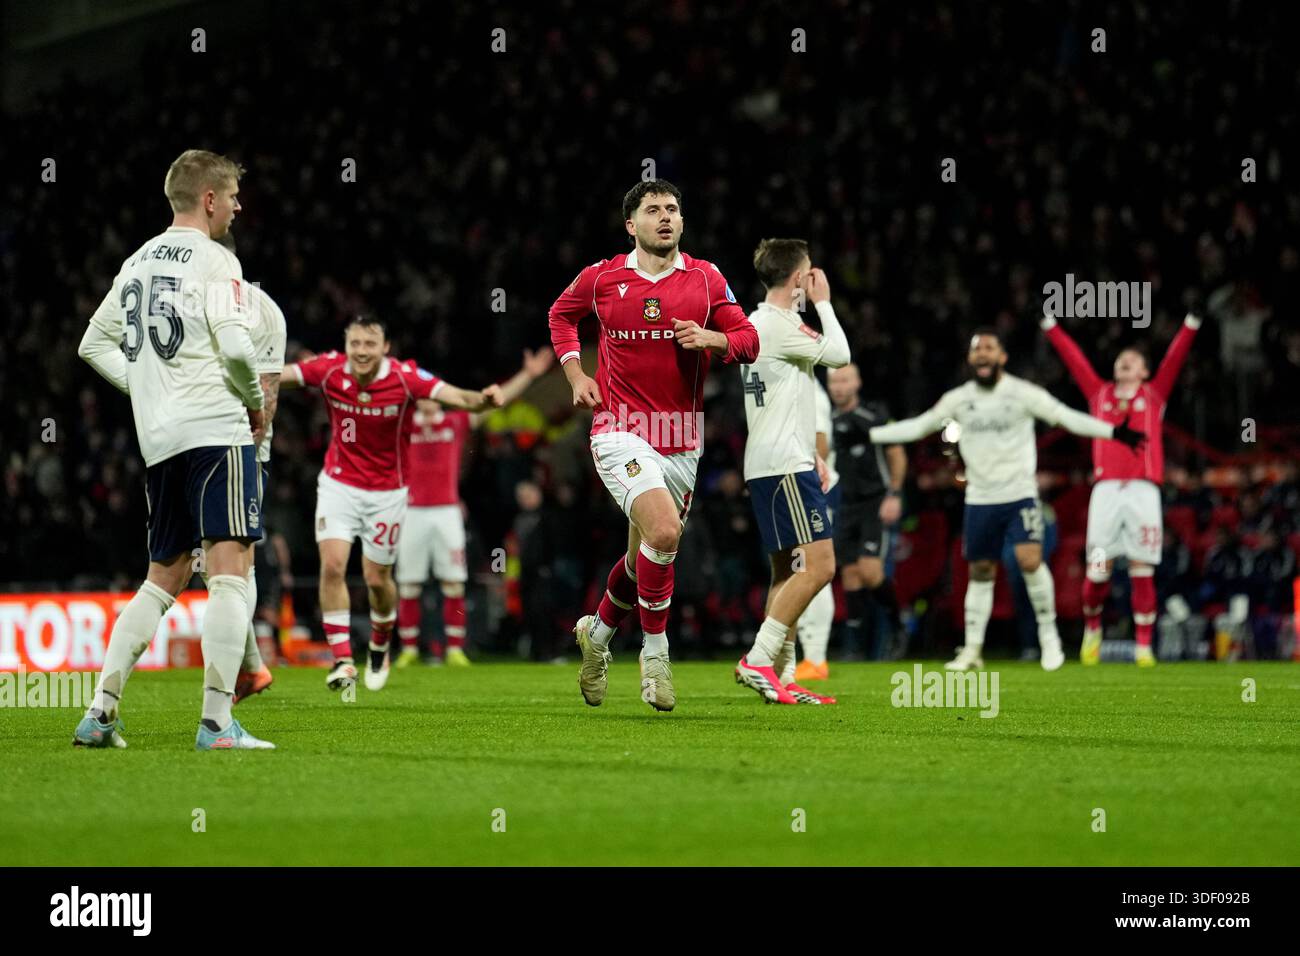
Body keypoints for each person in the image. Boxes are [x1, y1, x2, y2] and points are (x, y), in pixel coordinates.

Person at [73, 148, 273, 749]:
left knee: (164, 575)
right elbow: (237, 352)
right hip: (216, 431)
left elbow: (92, 343)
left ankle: (100, 711)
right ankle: (216, 722)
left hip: (160, 439)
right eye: (233, 196)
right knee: (230, 572)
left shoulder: (136, 262)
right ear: (209, 199)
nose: (238, 206)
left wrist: (150, 385)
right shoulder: (217, 262)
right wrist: (254, 404)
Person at [548, 179, 759, 712]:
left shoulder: (706, 279)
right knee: (664, 531)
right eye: (653, 210)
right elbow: (561, 316)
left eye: (672, 210)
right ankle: (655, 656)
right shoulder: (602, 278)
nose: (665, 217)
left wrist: (713, 339)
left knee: (644, 561)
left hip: (680, 438)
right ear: (631, 224)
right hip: (619, 429)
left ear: (682, 223)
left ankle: (596, 636)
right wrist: (575, 375)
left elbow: (748, 340)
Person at [869, 328, 1146, 671]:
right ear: (971, 359)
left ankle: (1049, 638)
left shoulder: (1022, 393)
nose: (983, 354)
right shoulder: (959, 398)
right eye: (977, 349)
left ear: (1002, 357)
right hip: (980, 499)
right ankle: (972, 650)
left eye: (989, 348)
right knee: (981, 571)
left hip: (1019, 495)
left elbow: (1065, 416)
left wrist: (1114, 432)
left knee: (1030, 561)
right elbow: (919, 426)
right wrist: (870, 434)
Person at [279, 318, 502, 692]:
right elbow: (279, 373)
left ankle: (380, 642)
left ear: (385, 347)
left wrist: (483, 399)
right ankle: (343, 659)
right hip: (338, 485)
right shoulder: (330, 369)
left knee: (377, 579)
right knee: (332, 565)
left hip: (387, 494)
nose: (362, 350)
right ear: (346, 345)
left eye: (370, 343)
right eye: (355, 343)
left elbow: (457, 397)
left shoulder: (404, 377)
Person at [1040, 311, 1200, 666]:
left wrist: (1190, 323)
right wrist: (1050, 326)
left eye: (1133, 361)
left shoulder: (1154, 396)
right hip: (1107, 494)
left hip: (1143, 493)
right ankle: (1092, 628)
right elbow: (1074, 359)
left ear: (1144, 371)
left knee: (1142, 566)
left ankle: (1144, 644)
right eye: (1120, 360)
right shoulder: (1099, 396)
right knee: (1099, 568)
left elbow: (1175, 358)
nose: (1125, 362)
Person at [733, 238, 849, 704]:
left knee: (786, 571)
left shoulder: (758, 324)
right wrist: (825, 305)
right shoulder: (778, 325)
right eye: (810, 273)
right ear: (799, 278)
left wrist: (813, 452)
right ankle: (758, 660)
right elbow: (840, 356)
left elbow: (785, 400)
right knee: (820, 565)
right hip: (784, 466)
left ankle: (781, 675)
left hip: (773, 460)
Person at [395, 348, 554, 667]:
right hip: (411, 511)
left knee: (453, 580)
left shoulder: (456, 420)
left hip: (447, 510)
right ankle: (410, 649)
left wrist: (528, 376)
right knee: (409, 583)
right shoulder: (404, 424)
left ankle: (454, 647)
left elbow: (494, 400)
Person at [823, 363, 906, 666]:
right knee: (850, 575)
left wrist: (894, 494)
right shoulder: (826, 420)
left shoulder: (873, 416)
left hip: (875, 502)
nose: (839, 386)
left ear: (857, 382)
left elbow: (896, 453)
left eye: (845, 380)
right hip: (845, 503)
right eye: (834, 381)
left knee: (871, 572)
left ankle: (898, 628)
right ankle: (854, 648)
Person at [792, 381, 839, 679]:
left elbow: (821, 441)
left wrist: (807, 484)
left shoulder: (808, 388)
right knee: (798, 569)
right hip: (795, 488)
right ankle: (806, 654)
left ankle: (816, 656)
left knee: (814, 568)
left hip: (813, 489)